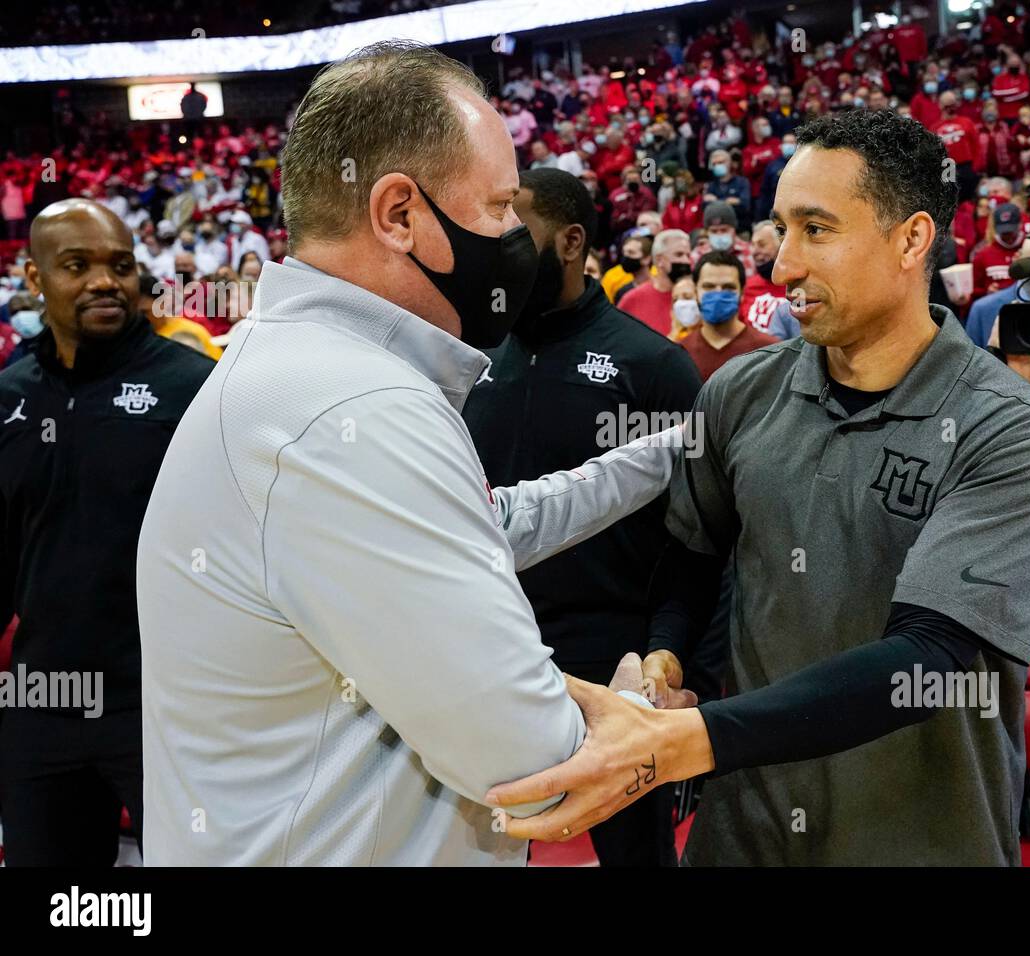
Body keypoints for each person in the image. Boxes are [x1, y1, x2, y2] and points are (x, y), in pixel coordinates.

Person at [134, 41, 679, 867]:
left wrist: (680, 450)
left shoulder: (302, 367)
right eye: (498, 208)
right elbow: (535, 766)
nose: (510, 237)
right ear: (399, 215)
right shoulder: (359, 407)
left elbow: (489, 522)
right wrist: (636, 702)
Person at [486, 109, 1030, 866]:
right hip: (744, 831)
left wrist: (689, 741)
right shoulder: (740, 392)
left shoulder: (1013, 429)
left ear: (912, 239)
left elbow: (930, 656)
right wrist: (665, 662)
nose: (783, 266)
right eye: (782, 230)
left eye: (816, 230)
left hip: (922, 834)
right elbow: (693, 558)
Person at [461, 168, 701, 866]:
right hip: (491, 652)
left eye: (515, 225)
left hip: (615, 663)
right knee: (483, 847)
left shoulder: (653, 365)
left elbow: (697, 542)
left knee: (636, 859)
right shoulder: (469, 362)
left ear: (569, 241)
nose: (497, 242)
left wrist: (670, 652)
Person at [0, 199, 214, 865]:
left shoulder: (196, 388)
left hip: (166, 706)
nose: (104, 281)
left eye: (121, 266)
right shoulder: (10, 391)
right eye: (77, 265)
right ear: (34, 279)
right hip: (41, 705)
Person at [678, 250, 778, 382]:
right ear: (696, 292)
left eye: (728, 287)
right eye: (709, 286)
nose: (718, 294)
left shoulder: (769, 351)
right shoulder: (680, 353)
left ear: (742, 294)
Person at [619, 228, 693, 336]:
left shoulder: (696, 297)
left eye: (688, 255)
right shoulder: (632, 299)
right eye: (679, 254)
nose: (686, 261)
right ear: (659, 260)